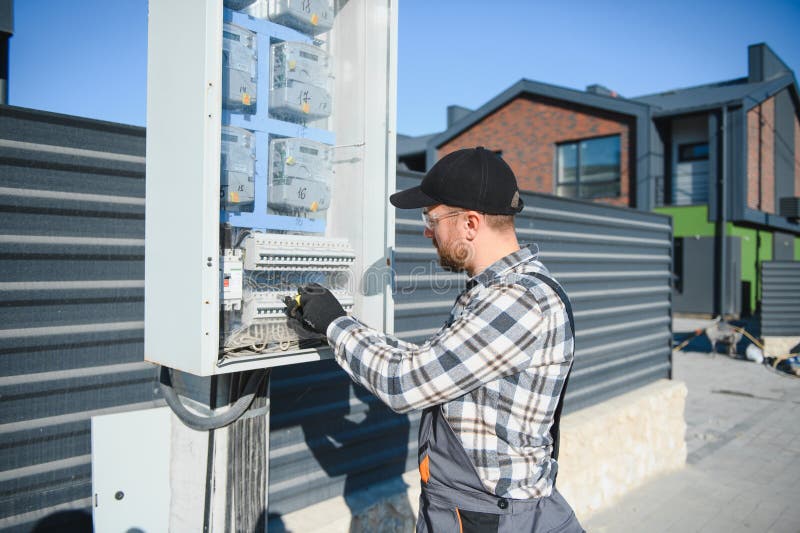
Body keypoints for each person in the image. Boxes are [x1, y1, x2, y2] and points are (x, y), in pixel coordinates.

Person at [285, 147, 583, 532]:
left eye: (432, 218)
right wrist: (340, 325)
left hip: (489, 518)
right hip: (474, 510)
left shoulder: (517, 301)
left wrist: (334, 325)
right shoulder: (498, 292)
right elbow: (432, 363)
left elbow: (406, 382)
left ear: (470, 224)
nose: (426, 230)